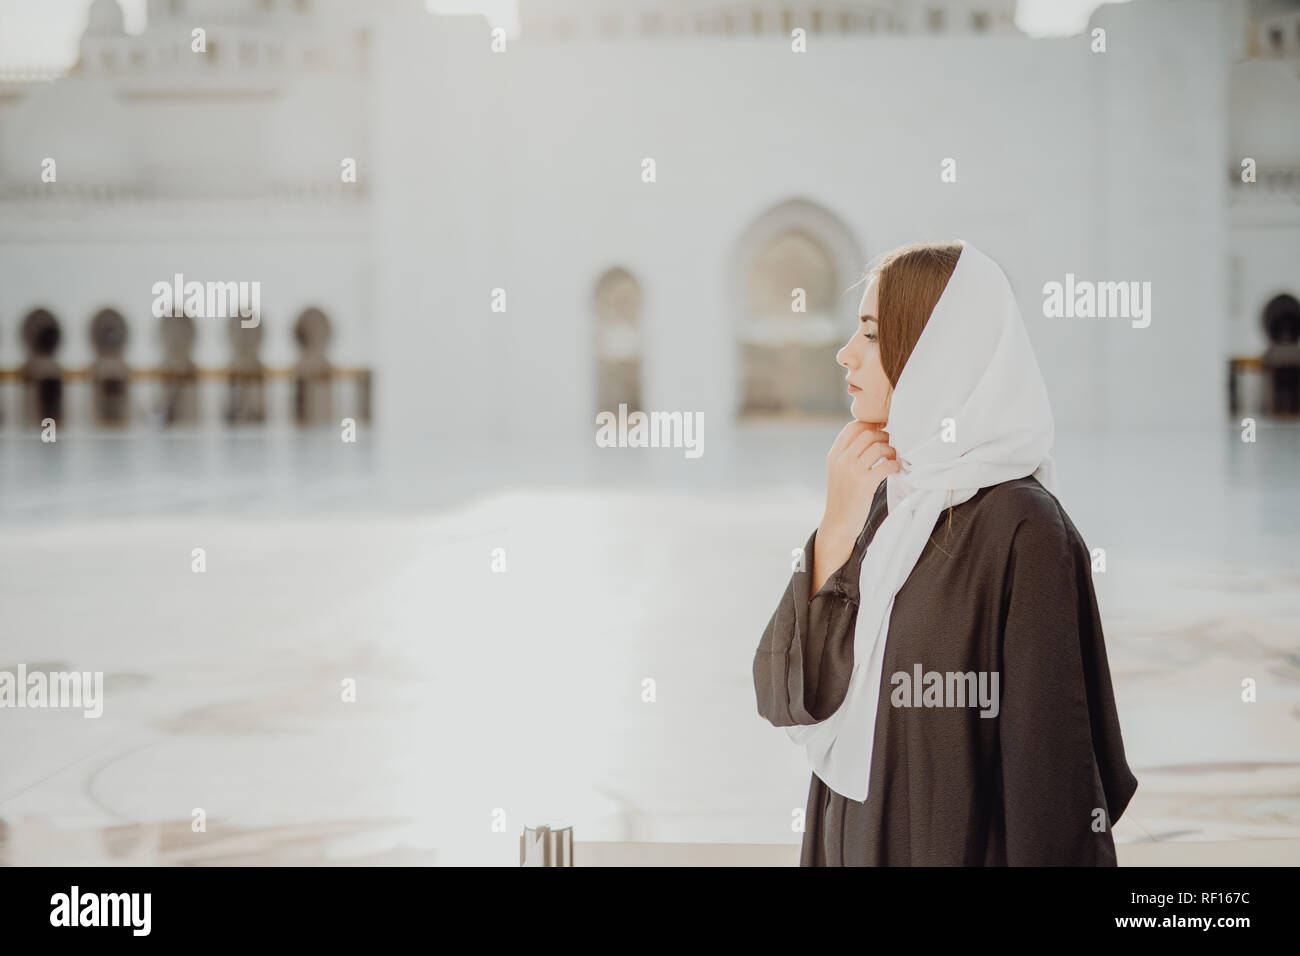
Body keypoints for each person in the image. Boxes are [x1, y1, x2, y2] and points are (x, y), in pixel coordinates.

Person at [752, 239, 1139, 865]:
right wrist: (834, 530)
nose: (845, 353)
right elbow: (786, 696)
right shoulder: (892, 502)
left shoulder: (1022, 528)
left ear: (935, 351)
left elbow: (1051, 784)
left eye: (873, 336)